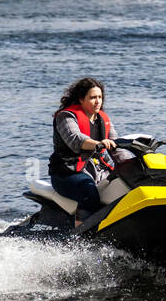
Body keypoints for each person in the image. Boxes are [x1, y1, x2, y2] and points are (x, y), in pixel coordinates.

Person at [49, 77, 117, 225]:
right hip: (66, 173)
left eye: (100, 97)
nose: (98, 101)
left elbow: (116, 146)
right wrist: (98, 144)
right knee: (89, 192)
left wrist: (134, 160)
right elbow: (75, 139)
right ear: (81, 99)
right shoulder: (66, 117)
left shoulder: (103, 119)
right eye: (93, 97)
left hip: (95, 170)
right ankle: (79, 239)